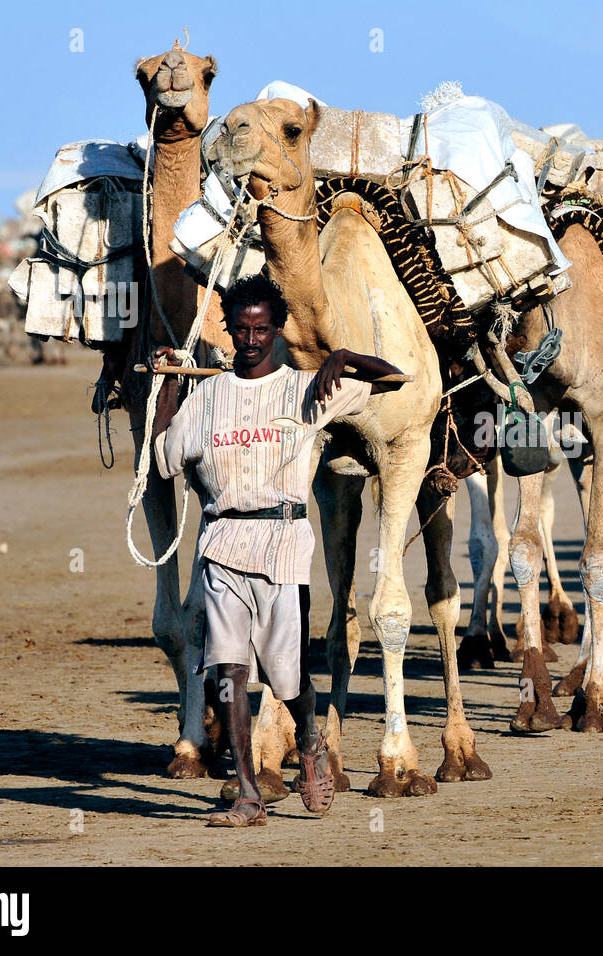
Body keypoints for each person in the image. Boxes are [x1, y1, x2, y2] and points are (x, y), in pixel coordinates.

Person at [151, 274, 407, 827]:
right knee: (227, 674)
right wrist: (170, 382)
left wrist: (344, 356)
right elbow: (166, 459)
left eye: (261, 329)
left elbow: (396, 381)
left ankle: (310, 739)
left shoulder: (308, 389)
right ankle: (248, 794)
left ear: (277, 330)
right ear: (229, 329)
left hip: (283, 545)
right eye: (241, 329)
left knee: (288, 680)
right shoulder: (210, 395)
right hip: (222, 543)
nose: (250, 339)